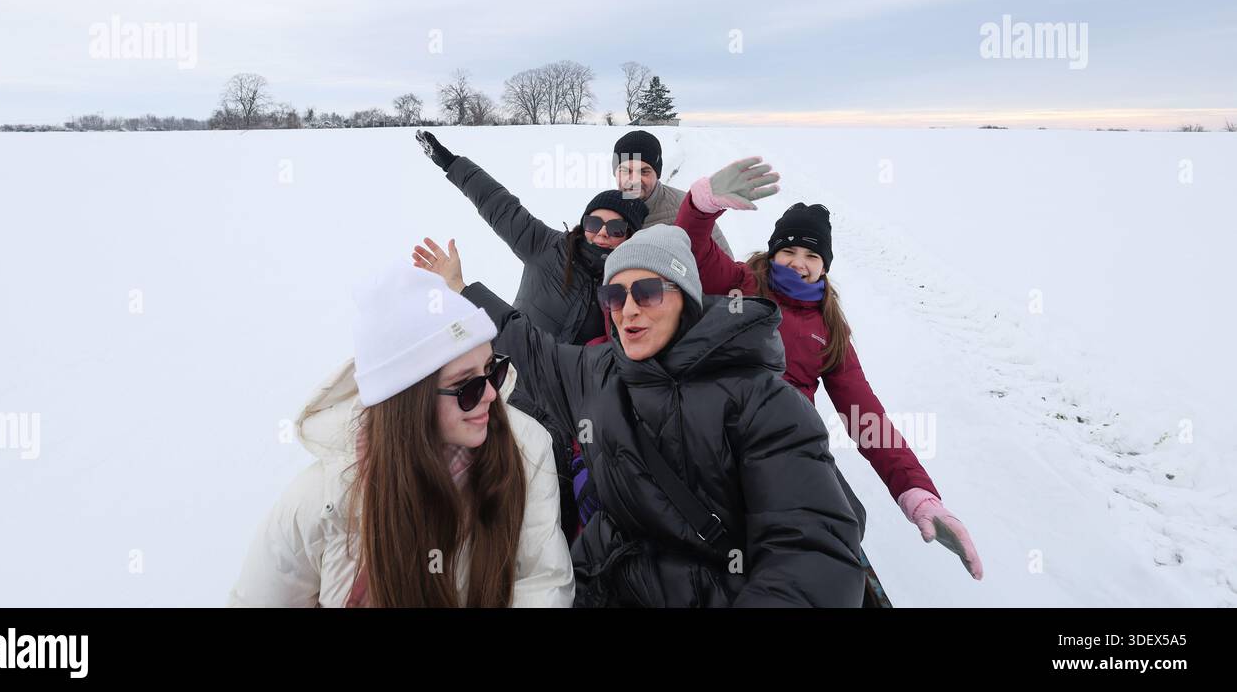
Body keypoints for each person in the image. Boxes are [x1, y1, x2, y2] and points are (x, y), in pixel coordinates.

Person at [412, 226, 867, 607]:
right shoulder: (600, 371)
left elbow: (810, 554)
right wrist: (462, 289)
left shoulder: (763, 402)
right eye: (614, 295)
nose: (628, 309)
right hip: (604, 583)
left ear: (686, 299)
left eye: (648, 292)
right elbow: (529, 345)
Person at [675, 156, 985, 580]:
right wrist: (704, 201)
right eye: (788, 250)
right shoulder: (741, 284)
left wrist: (918, 493)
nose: (798, 262)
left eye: (811, 254)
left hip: (783, 439)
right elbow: (692, 245)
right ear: (773, 251)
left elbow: (865, 415)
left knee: (846, 519)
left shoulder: (829, 328)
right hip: (715, 429)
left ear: (825, 265)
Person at [227, 264, 575, 607]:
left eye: (492, 371)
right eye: (465, 386)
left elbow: (543, 580)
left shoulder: (526, 447)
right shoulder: (323, 497)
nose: (489, 395)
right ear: (411, 401)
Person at [416, 128, 647, 540]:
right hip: (503, 387)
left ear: (630, 239)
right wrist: (452, 164)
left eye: (616, 230)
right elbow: (499, 205)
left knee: (547, 512)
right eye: (595, 223)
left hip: (563, 416)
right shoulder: (547, 246)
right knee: (478, 491)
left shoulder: (625, 288)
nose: (601, 235)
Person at [611, 129, 733, 257]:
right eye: (625, 171)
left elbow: (726, 266)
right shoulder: (603, 210)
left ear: (657, 174)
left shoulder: (689, 209)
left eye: (644, 171)